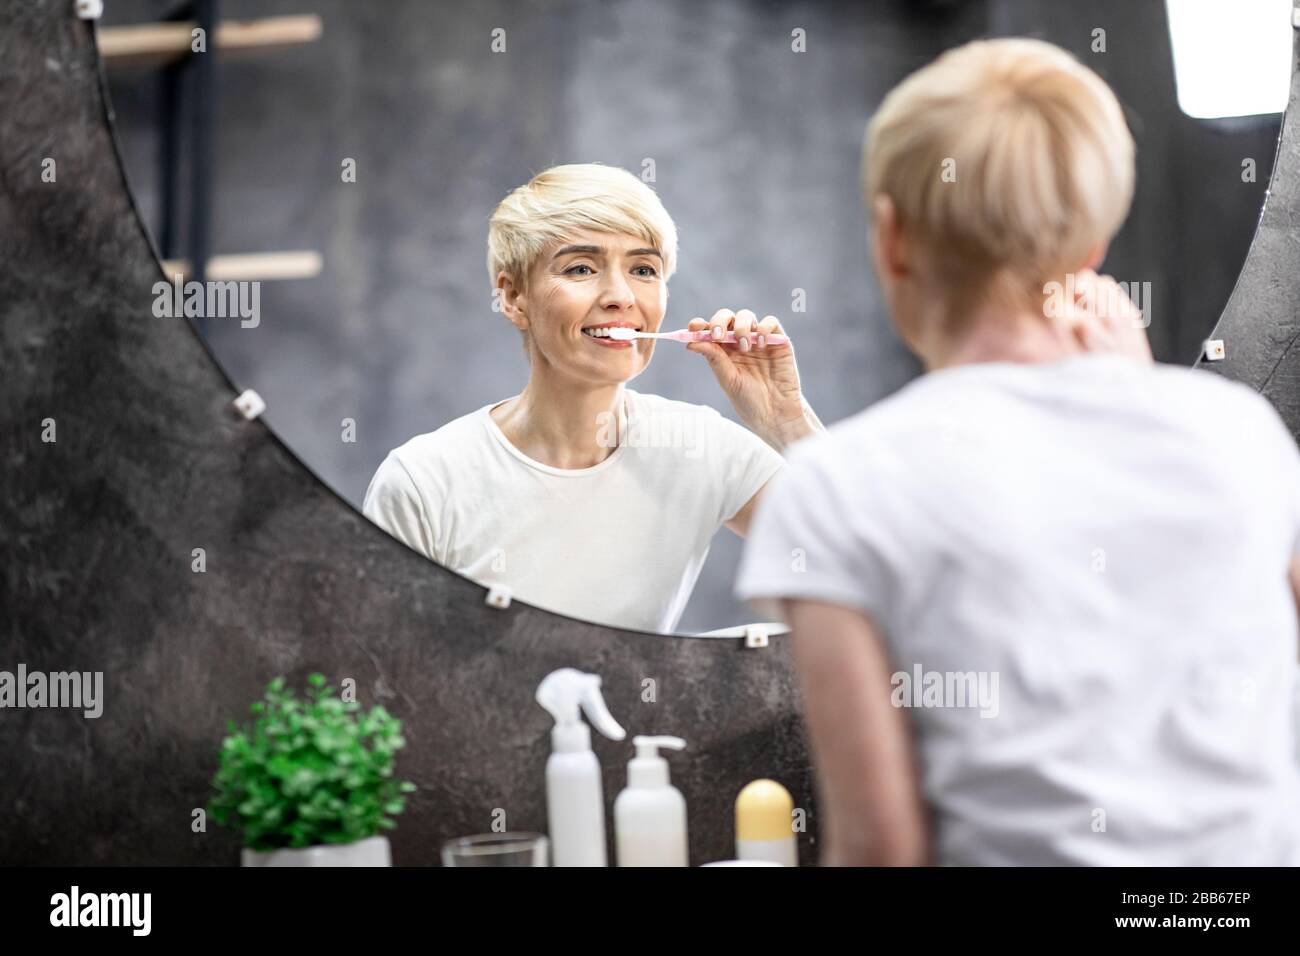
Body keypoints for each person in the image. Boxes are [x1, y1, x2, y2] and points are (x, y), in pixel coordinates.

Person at [735, 37, 1300, 865]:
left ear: (892, 237)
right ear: (1093, 246)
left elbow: (882, 849)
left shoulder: (835, 488)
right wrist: (1148, 406)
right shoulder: (1241, 434)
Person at [364, 163, 823, 633]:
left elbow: (874, 565)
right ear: (514, 297)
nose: (620, 296)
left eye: (644, 269)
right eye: (581, 268)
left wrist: (786, 419)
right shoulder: (422, 482)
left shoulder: (700, 446)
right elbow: (383, 671)